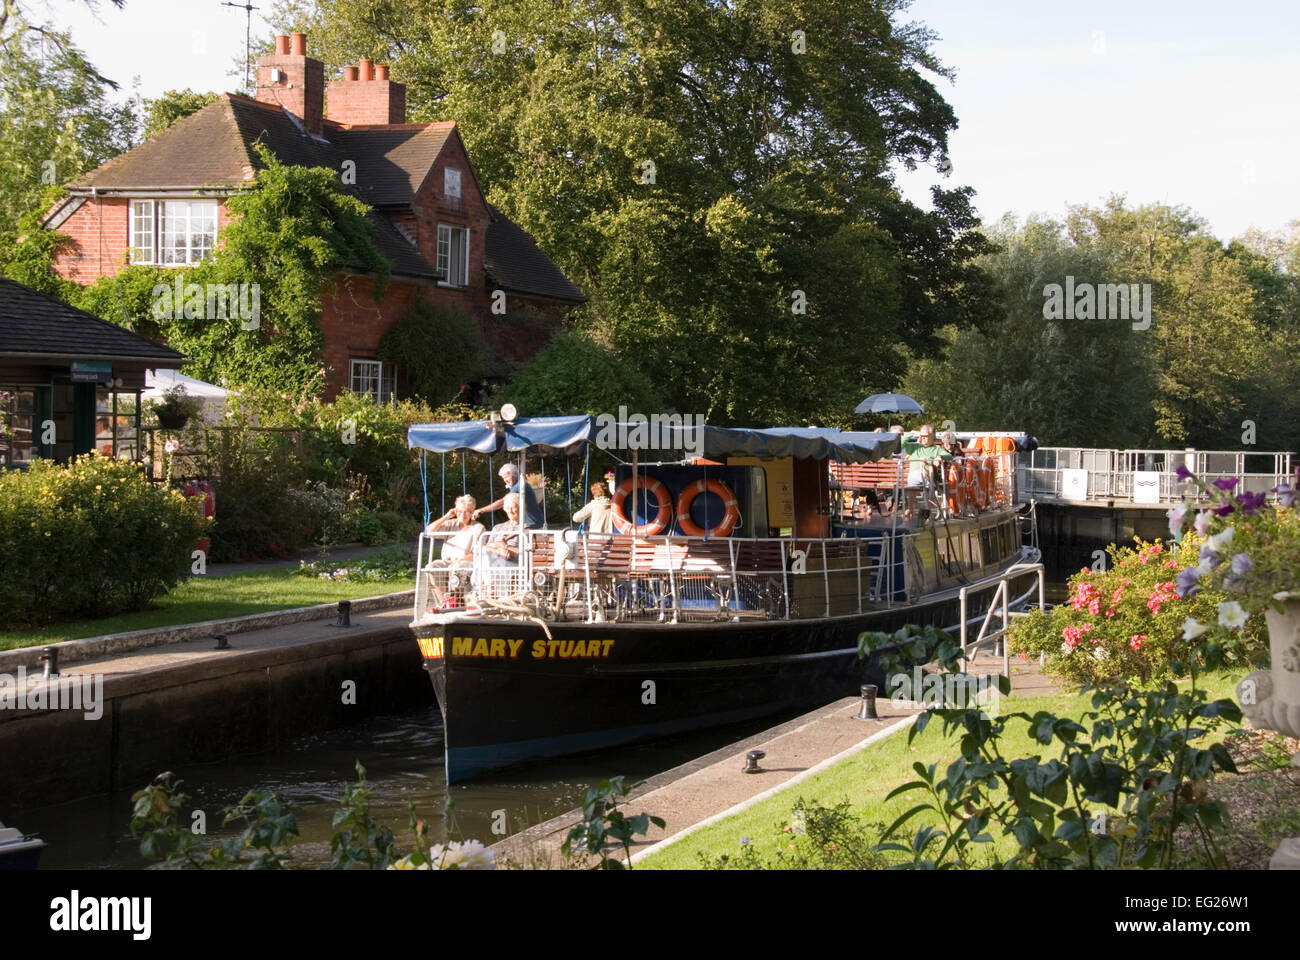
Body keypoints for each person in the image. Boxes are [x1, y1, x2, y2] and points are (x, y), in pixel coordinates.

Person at [424, 494, 485, 607]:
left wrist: (457, 562)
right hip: (448, 561)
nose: (463, 514)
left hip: (466, 562)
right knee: (432, 567)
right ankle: (444, 603)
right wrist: (447, 516)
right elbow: (429, 531)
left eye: (467, 511)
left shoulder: (478, 528)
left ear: (472, 512)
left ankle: (456, 602)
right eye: (460, 511)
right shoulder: (451, 524)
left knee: (457, 568)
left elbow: (477, 553)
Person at [475, 463, 544, 528]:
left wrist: (481, 510)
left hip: (532, 524)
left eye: (507, 477)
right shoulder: (516, 485)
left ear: (516, 474)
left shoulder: (519, 485)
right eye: (503, 478)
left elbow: (502, 502)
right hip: (529, 523)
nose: (505, 480)